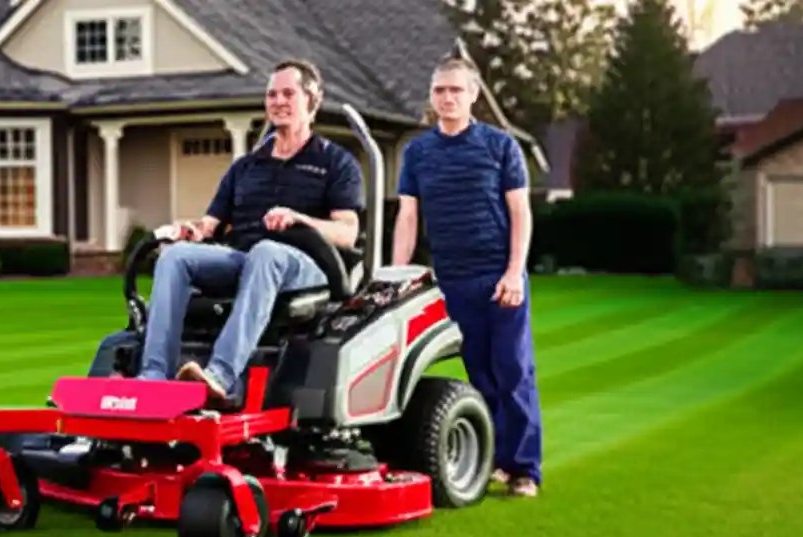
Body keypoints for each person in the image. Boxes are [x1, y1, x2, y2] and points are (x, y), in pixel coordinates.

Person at [95, 58, 364, 399]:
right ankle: (153, 375)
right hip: (246, 258)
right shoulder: (246, 167)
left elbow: (347, 233)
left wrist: (300, 220)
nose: (278, 102)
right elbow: (211, 224)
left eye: (287, 93)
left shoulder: (336, 162)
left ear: (312, 100)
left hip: (309, 264)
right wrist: (191, 230)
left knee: (268, 252)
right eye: (271, 95)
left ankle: (222, 376)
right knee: (176, 257)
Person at [392, 56, 544, 498]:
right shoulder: (418, 153)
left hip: (500, 277)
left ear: (473, 94)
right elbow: (407, 218)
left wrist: (515, 271)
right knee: (479, 374)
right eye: (439, 90)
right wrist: (399, 277)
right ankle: (496, 459)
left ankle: (524, 470)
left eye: (456, 90)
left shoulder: (500, 146)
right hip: (452, 282)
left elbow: (521, 213)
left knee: (514, 372)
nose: (447, 98)